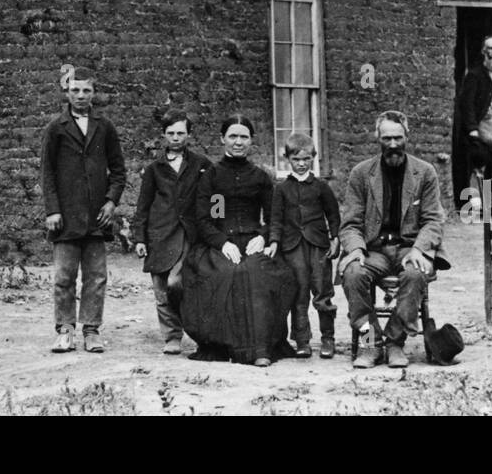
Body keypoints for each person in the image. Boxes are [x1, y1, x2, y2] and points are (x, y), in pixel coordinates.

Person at [182, 115, 297, 366]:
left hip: (253, 242)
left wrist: (262, 236)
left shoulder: (261, 177)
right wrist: (223, 242)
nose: (238, 142)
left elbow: (273, 217)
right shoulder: (212, 177)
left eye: (244, 137)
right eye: (233, 136)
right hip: (221, 243)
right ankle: (224, 345)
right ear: (223, 139)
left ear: (251, 141)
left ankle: (261, 349)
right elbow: (208, 219)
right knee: (224, 273)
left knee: (258, 273)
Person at [339, 110, 450, 369]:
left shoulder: (425, 173)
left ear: (407, 137)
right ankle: (369, 344)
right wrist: (355, 250)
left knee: (415, 274)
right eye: (386, 138)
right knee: (353, 274)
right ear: (377, 138)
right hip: (373, 249)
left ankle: (395, 342)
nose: (392, 145)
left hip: (408, 247)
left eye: (397, 138)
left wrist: (421, 249)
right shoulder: (361, 173)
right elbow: (350, 223)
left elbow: (434, 220)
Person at [40, 67, 127, 353]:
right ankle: (65, 329)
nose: (80, 96)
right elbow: (47, 173)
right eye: (75, 90)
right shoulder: (56, 128)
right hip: (65, 217)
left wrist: (111, 202)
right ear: (66, 92)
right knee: (64, 276)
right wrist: (52, 210)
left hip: (96, 217)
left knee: (96, 277)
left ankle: (91, 330)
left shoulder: (105, 126)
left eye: (86, 91)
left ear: (94, 93)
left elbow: (118, 171)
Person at [131, 110, 210, 355]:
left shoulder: (202, 165)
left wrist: (218, 225)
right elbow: (143, 206)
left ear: (189, 134)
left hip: (189, 234)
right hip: (160, 235)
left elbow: (216, 197)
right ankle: (172, 336)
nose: (176, 137)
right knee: (161, 289)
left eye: (181, 133)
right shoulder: (155, 169)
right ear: (163, 135)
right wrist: (140, 238)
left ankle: (198, 331)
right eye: (171, 133)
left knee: (179, 283)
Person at [267, 131, 340, 359]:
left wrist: (335, 237)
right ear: (287, 159)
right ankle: (302, 340)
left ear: (313, 159)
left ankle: (328, 339)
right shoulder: (281, 189)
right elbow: (275, 220)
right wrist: (274, 242)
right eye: (296, 159)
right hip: (292, 248)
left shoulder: (321, 187)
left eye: (306, 159)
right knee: (298, 294)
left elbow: (333, 214)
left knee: (323, 292)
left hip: (318, 246)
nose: (301, 164)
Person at [453, 36, 492, 199]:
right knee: (479, 162)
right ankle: (475, 202)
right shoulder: (475, 74)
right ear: (483, 51)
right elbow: (468, 104)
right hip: (483, 124)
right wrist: (472, 128)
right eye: (490, 48)